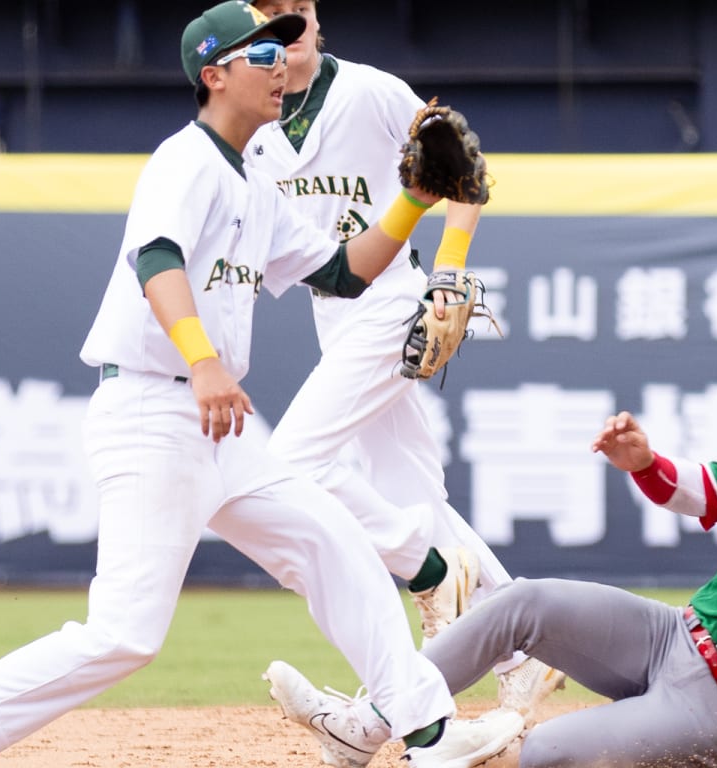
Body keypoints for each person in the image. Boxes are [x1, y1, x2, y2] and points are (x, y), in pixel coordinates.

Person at [0, 4, 523, 768]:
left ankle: (430, 733)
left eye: (285, 49)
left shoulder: (255, 184)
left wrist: (413, 195)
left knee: (335, 545)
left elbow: (347, 273)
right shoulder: (185, 161)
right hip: (154, 407)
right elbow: (156, 259)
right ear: (214, 75)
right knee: (125, 633)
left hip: (218, 424)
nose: (282, 64)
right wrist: (205, 359)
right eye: (262, 55)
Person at [282, 368, 717, 767]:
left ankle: (429, 756)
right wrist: (647, 464)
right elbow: (704, 490)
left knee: (549, 754)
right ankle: (370, 726)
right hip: (670, 637)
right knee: (522, 603)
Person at [238, 0, 560, 741]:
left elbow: (463, 169)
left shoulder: (369, 92)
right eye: (271, 13)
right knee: (417, 496)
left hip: (392, 303)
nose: (290, 26)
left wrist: (448, 272)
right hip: (333, 311)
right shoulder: (254, 122)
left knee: (291, 464)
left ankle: (429, 571)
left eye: (301, 11)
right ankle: (522, 646)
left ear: (319, 19)